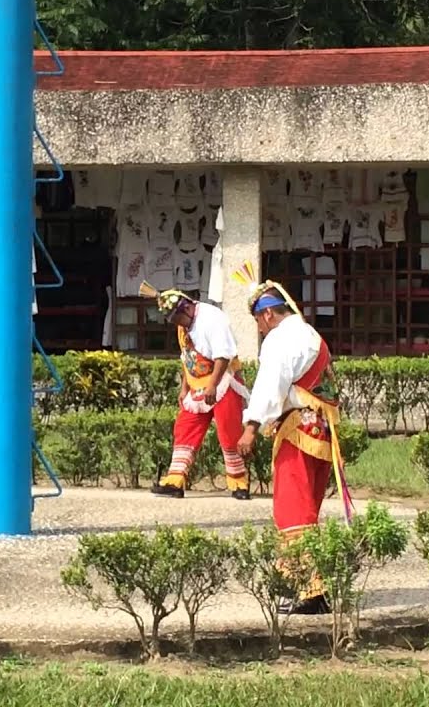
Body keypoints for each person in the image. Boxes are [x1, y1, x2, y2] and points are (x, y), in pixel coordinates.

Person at [233, 262, 352, 616]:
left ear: (268, 315)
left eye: (257, 320)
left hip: (298, 430)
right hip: (322, 432)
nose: (258, 328)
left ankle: (310, 588)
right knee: (308, 506)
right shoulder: (311, 334)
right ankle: (311, 585)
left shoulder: (280, 340)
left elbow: (270, 386)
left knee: (292, 508)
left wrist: (251, 427)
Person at [139, 281, 250, 500]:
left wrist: (212, 385)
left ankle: (239, 483)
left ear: (187, 308)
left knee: (229, 433)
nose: (176, 324)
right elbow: (187, 356)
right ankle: (175, 481)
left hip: (222, 381)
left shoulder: (212, 319)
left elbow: (223, 355)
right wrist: (184, 387)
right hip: (196, 383)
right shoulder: (184, 324)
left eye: (177, 318)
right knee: (185, 429)